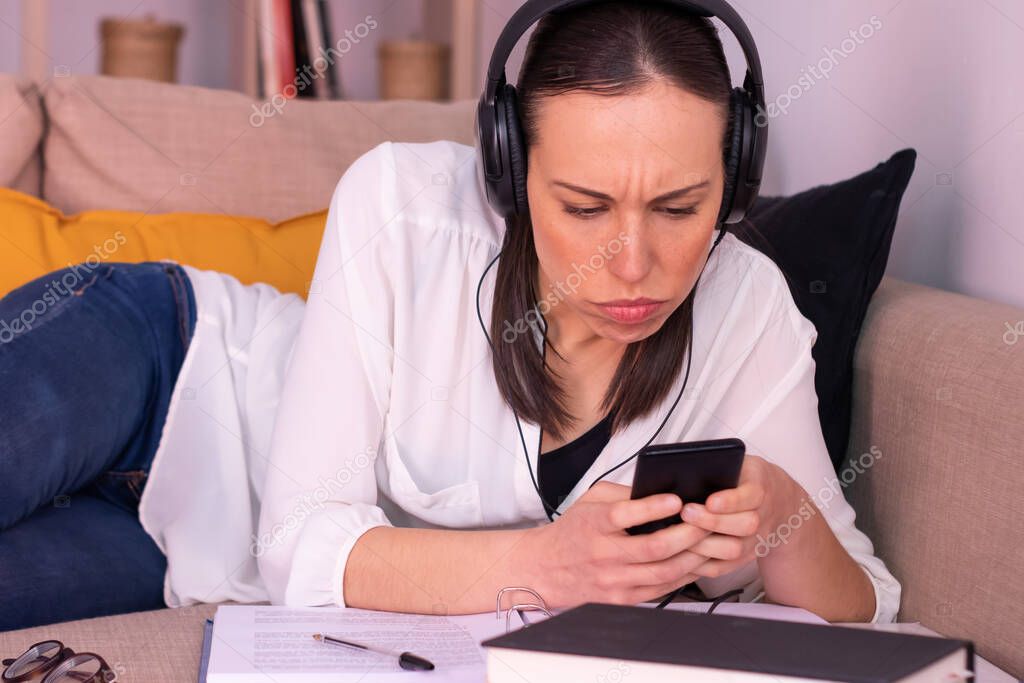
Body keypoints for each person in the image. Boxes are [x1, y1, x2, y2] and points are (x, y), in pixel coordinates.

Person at [0, 0, 900, 632]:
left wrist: (781, 509)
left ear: (733, 181)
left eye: (679, 207)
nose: (633, 262)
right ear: (510, 173)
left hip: (189, 549)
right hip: (166, 362)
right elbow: (302, 536)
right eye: (584, 208)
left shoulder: (748, 307)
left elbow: (864, 601)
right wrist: (548, 563)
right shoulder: (400, 204)